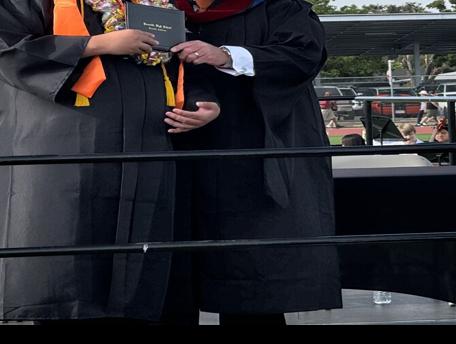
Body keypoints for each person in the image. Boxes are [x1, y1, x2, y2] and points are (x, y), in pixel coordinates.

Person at [0, 0, 219, 324]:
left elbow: (180, 61)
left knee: (140, 272)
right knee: (68, 274)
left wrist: (204, 101)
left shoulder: (151, 4)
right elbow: (8, 50)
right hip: (67, 151)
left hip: (146, 150)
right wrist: (98, 44)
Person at [169, 0, 341, 326]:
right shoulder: (162, 10)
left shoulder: (279, 7)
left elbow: (305, 54)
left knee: (251, 283)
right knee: (174, 276)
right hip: (181, 151)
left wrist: (226, 54)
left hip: (252, 151)